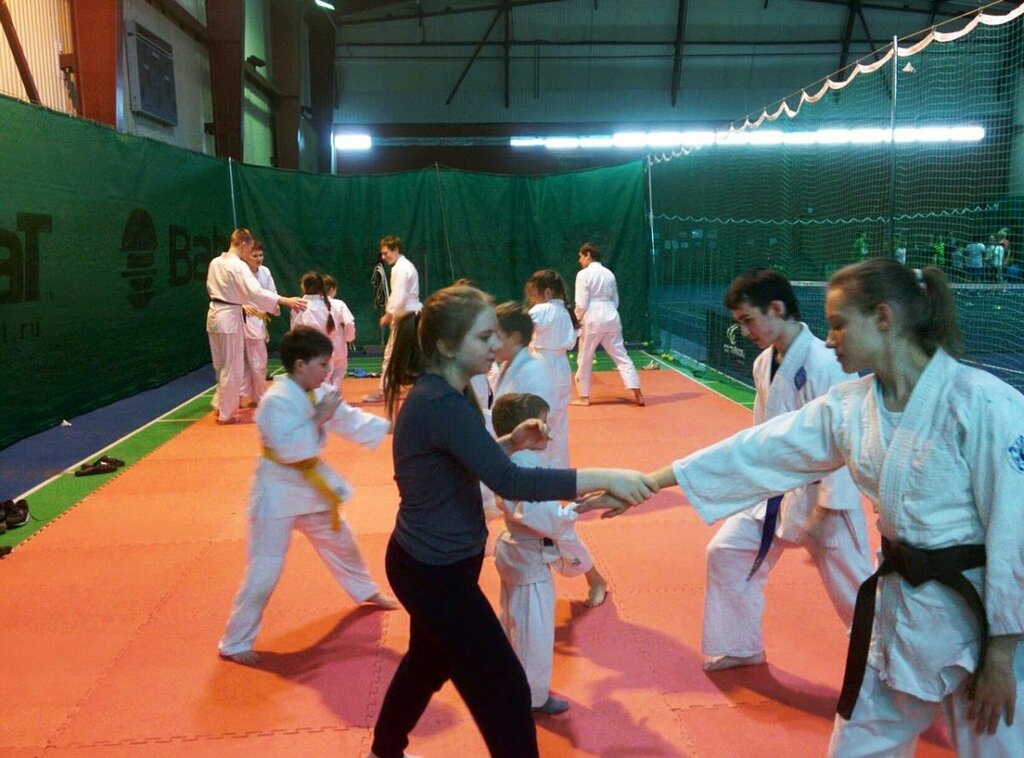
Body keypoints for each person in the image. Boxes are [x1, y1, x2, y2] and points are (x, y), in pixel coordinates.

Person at [590, 260, 1023, 757]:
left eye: (839, 325)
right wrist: (651, 481)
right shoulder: (850, 406)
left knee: (997, 750)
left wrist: (1002, 653)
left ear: (883, 317)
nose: (830, 339)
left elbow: (1015, 534)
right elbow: (760, 448)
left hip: (980, 624)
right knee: (854, 749)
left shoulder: (985, 404)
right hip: (901, 614)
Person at [367, 285, 657, 758]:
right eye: (484, 337)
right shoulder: (440, 404)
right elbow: (510, 481)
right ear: (446, 346)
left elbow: (467, 461)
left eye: (495, 336)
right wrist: (606, 476)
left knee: (427, 661)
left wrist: (511, 442)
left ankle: (383, 752)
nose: (495, 345)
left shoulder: (451, 395)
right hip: (433, 574)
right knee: (505, 690)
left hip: (434, 564)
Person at [699, 269, 872, 672]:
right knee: (726, 551)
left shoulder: (827, 361)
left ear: (776, 308)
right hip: (775, 492)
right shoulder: (764, 362)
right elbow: (761, 435)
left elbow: (847, 441)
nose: (744, 331)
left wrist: (828, 507)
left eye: (748, 320)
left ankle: (895, 668)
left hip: (827, 497)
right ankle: (741, 646)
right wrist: (746, 483)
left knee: (857, 594)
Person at [219, 327, 398, 665]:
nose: (328, 370)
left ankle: (365, 590)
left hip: (311, 489)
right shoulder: (275, 401)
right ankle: (235, 642)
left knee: (343, 543)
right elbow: (290, 450)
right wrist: (318, 418)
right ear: (300, 365)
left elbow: (351, 421)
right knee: (265, 570)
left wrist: (393, 427)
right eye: (322, 364)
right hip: (276, 493)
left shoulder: (320, 392)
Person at [491, 392, 609, 716]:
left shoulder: (511, 460)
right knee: (535, 632)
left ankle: (508, 677)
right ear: (528, 428)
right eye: (545, 423)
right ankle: (532, 696)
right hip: (529, 560)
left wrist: (569, 500)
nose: (551, 431)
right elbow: (548, 522)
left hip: (515, 551)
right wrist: (578, 508)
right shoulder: (524, 467)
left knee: (513, 619)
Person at [492, 302, 607, 608]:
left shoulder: (533, 371)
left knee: (554, 529)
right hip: (511, 457)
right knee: (543, 527)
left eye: (495, 335)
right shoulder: (508, 366)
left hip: (533, 460)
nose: (491, 342)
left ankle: (595, 577)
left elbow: (541, 425)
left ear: (514, 337)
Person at [206, 228, 306, 425]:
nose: (249, 253)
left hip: (214, 315)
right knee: (232, 367)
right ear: (243, 244)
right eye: (249, 248)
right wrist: (285, 300)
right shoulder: (238, 265)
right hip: (229, 316)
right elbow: (255, 292)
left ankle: (220, 405)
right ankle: (226, 414)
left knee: (221, 365)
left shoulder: (215, 262)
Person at [572, 242, 644, 407]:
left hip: (591, 318)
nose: (579, 260)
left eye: (581, 256)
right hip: (611, 316)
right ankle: (638, 394)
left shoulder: (583, 275)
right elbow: (615, 300)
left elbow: (581, 303)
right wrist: (610, 311)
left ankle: (584, 397)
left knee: (585, 359)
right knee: (622, 357)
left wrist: (576, 320)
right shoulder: (609, 274)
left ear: (588, 255)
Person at [526, 269, 578, 468]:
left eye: (534, 294)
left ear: (547, 292)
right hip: (562, 367)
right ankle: (560, 469)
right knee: (559, 422)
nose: (533, 299)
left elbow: (521, 328)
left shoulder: (542, 310)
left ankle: (540, 468)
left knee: (539, 419)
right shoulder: (565, 311)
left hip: (542, 366)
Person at [363, 236, 422, 403]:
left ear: (396, 250)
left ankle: (384, 390)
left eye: (386, 253)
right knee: (415, 355)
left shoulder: (400, 269)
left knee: (391, 354)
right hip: (412, 314)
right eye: (382, 254)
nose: (383, 257)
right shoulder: (406, 265)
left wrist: (388, 315)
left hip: (406, 317)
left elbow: (399, 295)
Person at [240, 240, 279, 408]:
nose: (258, 258)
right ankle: (238, 397)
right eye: (254, 255)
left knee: (259, 362)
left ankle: (259, 396)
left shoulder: (265, 272)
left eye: (260, 255)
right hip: (241, 319)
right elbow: (231, 294)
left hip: (258, 320)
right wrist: (241, 305)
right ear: (246, 256)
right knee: (242, 362)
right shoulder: (240, 271)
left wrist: (273, 308)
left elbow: (272, 294)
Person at [323, 274, 356, 393]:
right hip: (339, 347)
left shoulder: (314, 305)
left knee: (324, 377)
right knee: (339, 372)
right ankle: (333, 394)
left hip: (322, 348)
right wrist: (349, 338)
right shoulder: (339, 304)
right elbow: (349, 323)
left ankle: (326, 396)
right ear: (332, 289)